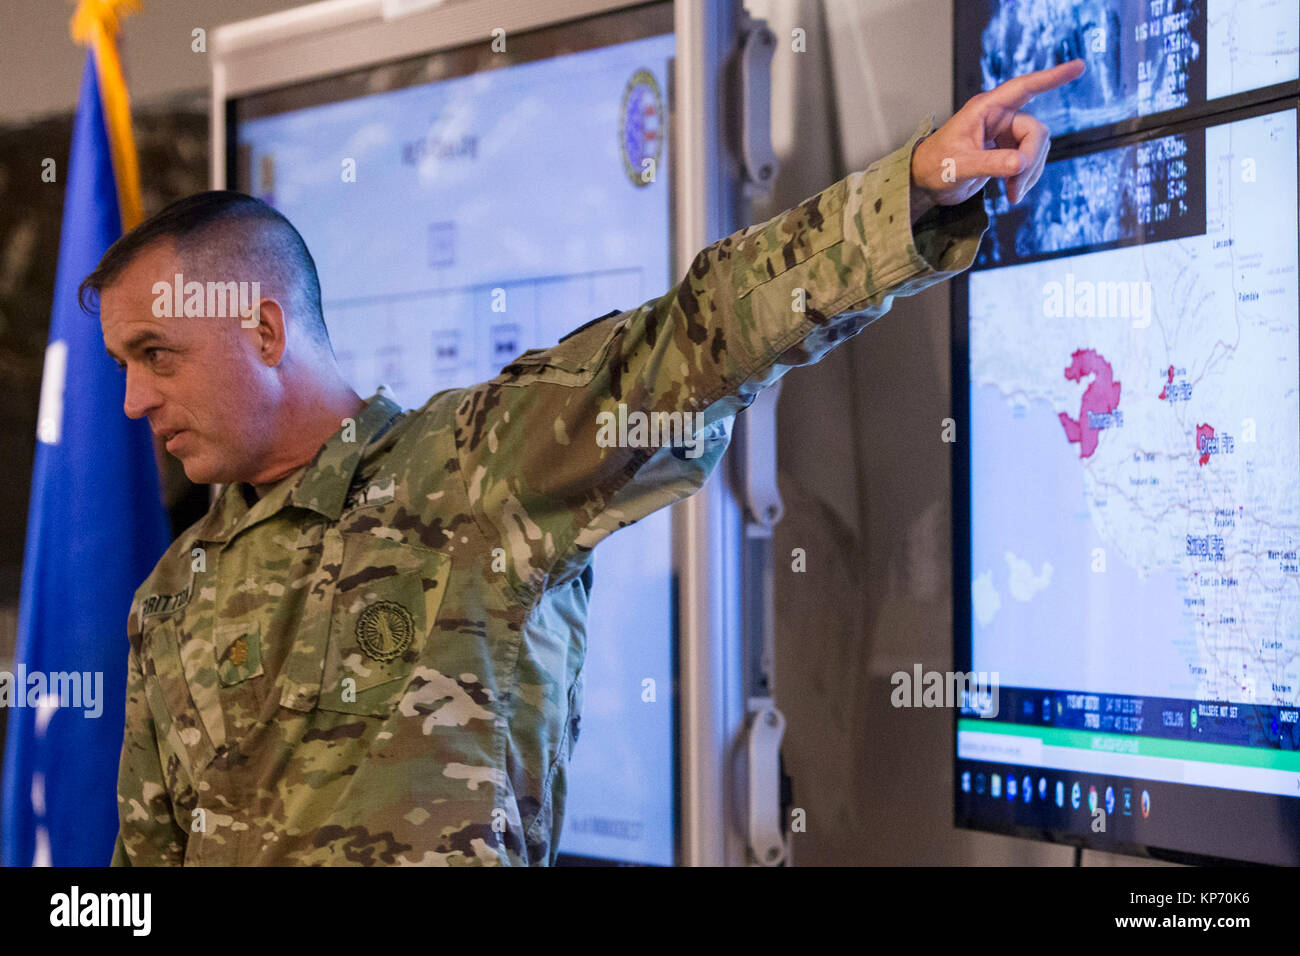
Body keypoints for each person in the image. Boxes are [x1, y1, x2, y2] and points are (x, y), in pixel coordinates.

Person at [91, 60, 1085, 865]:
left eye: (155, 356)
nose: (135, 400)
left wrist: (908, 192)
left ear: (262, 328)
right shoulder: (174, 594)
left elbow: (694, 339)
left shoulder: (471, 471)